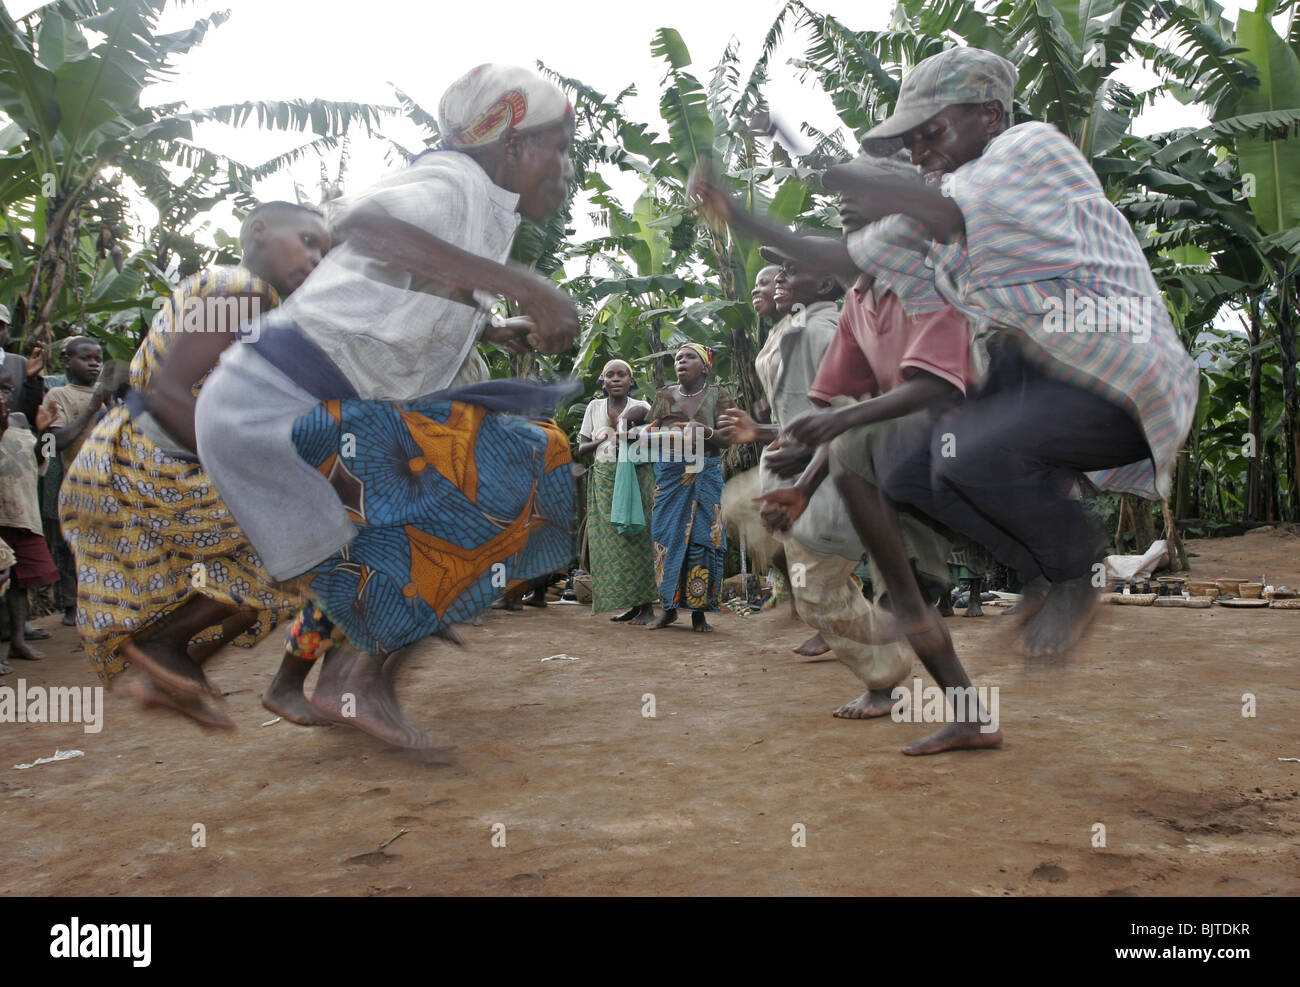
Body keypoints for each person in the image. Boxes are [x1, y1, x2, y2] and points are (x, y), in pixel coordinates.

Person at [193, 64, 581, 748]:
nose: (567, 165)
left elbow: (395, 295)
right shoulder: (453, 182)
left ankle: (310, 680)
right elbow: (366, 223)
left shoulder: (480, 207)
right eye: (561, 144)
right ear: (514, 145)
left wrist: (489, 323)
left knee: (368, 556)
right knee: (515, 468)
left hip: (269, 403)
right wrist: (522, 286)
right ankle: (354, 678)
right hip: (280, 402)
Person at [58, 202, 333, 729]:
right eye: (307, 241)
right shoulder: (241, 289)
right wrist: (246, 476)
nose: (316, 257)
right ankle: (166, 649)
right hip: (150, 456)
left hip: (142, 454)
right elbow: (167, 391)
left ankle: (171, 668)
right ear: (257, 231)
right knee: (299, 548)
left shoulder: (247, 296)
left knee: (280, 561)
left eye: (323, 248)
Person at [718, 249, 919, 718]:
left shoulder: (818, 331)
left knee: (819, 603)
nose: (778, 280)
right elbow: (808, 418)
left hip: (830, 477)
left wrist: (805, 486)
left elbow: (848, 421)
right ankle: (824, 583)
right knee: (738, 503)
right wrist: (763, 432)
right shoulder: (794, 331)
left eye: (789, 270)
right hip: (801, 471)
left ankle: (887, 673)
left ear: (825, 285)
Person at [642, 343, 734, 633]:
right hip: (670, 476)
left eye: (689, 356)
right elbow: (648, 435)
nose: (682, 361)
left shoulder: (719, 395)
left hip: (705, 474)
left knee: (702, 541)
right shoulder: (664, 396)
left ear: (705, 366)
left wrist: (705, 432)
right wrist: (665, 435)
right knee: (665, 539)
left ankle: (699, 612)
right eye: (678, 357)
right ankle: (668, 609)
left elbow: (728, 438)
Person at [577, 358, 657, 624]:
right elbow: (582, 449)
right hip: (603, 479)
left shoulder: (642, 407)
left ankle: (647, 606)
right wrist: (603, 439)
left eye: (621, 375)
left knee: (639, 537)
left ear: (631, 381)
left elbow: (656, 441)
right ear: (602, 381)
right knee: (611, 545)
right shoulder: (594, 407)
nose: (615, 379)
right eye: (609, 375)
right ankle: (631, 605)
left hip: (637, 477)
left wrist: (631, 437)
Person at [0, 375, 59, 669]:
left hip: (22, 513)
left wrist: (46, 433)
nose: (2, 395)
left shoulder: (22, 420)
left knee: (20, 583)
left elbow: (42, 461)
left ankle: (19, 640)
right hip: (1, 516)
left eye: (6, 389)